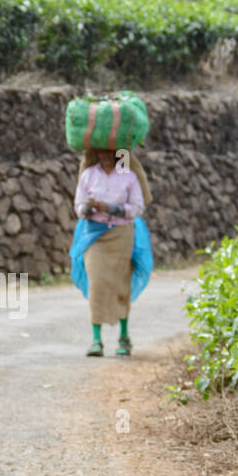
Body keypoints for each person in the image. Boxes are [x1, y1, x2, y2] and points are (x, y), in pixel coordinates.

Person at [70, 146, 152, 356]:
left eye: (109, 153)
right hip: (95, 235)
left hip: (121, 235)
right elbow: (78, 205)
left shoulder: (128, 176)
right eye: (101, 153)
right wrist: (88, 209)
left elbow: (137, 207)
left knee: (120, 284)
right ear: (96, 154)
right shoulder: (89, 175)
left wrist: (113, 209)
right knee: (97, 283)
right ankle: (96, 340)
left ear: (117, 154)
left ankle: (123, 337)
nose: (105, 157)